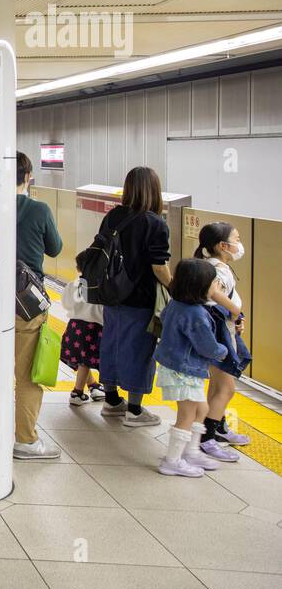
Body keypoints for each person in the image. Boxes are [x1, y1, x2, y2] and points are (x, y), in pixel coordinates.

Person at [95, 167, 171, 427]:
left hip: (111, 292)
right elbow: (159, 266)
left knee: (112, 343)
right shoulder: (155, 223)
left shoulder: (114, 215)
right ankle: (135, 410)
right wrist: (174, 287)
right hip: (140, 298)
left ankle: (112, 400)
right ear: (154, 191)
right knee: (139, 350)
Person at [153, 259, 230, 477]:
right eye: (214, 283)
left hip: (181, 368)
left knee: (202, 409)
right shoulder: (195, 314)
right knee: (187, 415)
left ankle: (191, 451)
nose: (217, 288)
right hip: (183, 370)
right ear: (200, 286)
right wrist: (223, 350)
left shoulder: (176, 304)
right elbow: (206, 346)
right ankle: (173, 460)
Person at [12, 152, 63, 459]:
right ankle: (26, 440)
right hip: (26, 303)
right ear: (28, 175)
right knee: (27, 375)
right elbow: (55, 249)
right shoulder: (39, 209)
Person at [195, 223, 250, 460]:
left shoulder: (211, 265)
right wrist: (235, 310)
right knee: (226, 388)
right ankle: (207, 437)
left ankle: (216, 427)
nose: (239, 244)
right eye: (236, 239)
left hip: (220, 330)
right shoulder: (218, 270)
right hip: (220, 333)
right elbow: (212, 293)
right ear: (223, 246)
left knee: (218, 386)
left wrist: (237, 316)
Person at [62, 252, 105, 407]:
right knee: (85, 361)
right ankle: (77, 393)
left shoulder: (72, 284)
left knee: (81, 359)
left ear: (79, 268)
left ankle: (93, 386)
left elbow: (66, 304)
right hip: (93, 328)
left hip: (74, 326)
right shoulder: (99, 286)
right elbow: (102, 310)